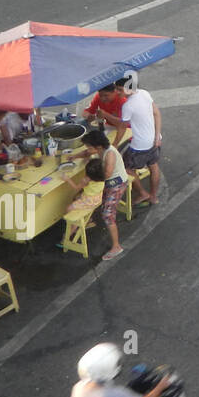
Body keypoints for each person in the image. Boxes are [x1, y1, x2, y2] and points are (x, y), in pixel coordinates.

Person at [76, 128, 131, 260]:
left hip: (116, 183)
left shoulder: (109, 154)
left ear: (98, 147)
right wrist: (73, 157)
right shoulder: (100, 149)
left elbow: (107, 174)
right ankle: (89, 220)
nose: (88, 149)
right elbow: (86, 153)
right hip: (107, 182)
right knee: (88, 196)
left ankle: (116, 246)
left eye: (90, 147)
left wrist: (89, 178)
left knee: (107, 215)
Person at [117, 76, 162, 206]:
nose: (117, 92)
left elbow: (122, 128)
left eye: (120, 90)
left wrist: (114, 145)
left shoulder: (128, 106)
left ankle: (143, 193)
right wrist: (157, 137)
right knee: (153, 166)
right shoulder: (144, 93)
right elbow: (157, 113)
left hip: (140, 146)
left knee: (126, 169)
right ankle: (153, 197)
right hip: (154, 141)